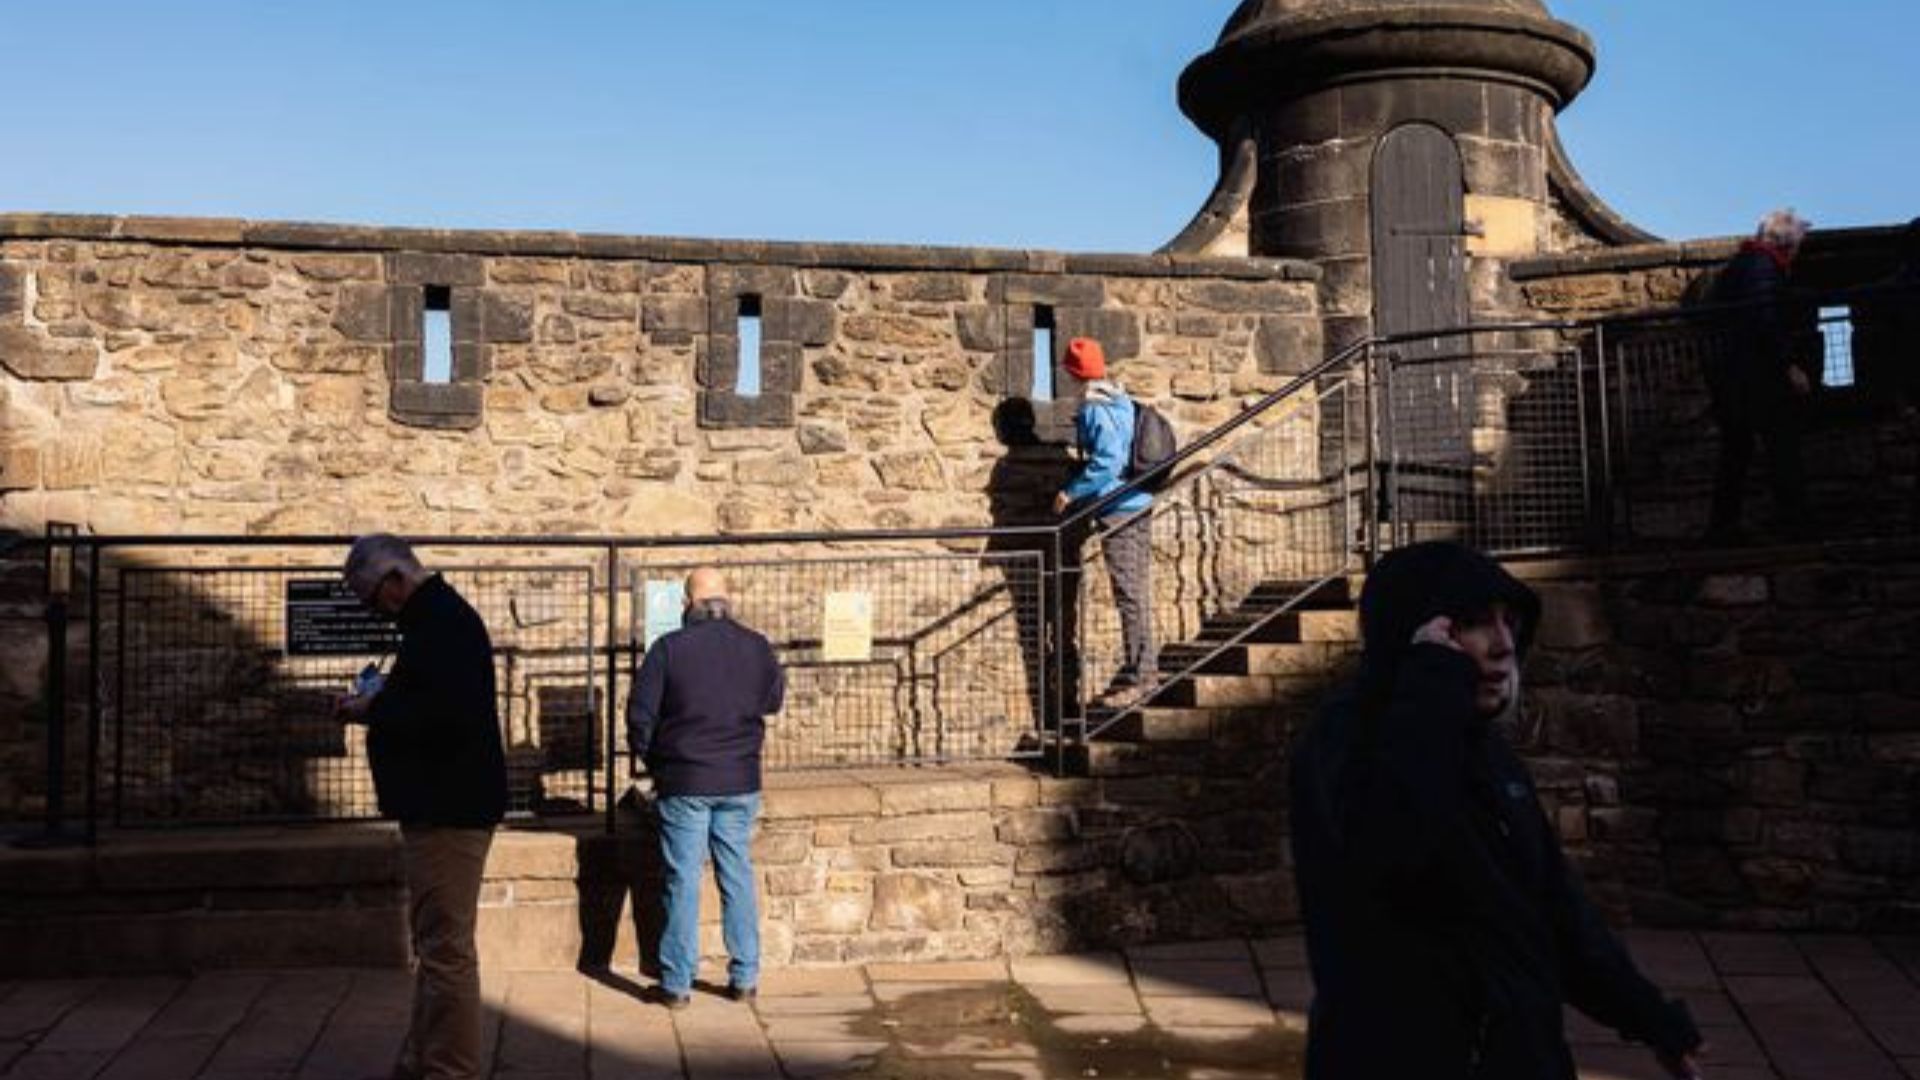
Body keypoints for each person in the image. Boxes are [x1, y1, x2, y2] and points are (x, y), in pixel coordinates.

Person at [1289, 541, 1704, 1080]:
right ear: (1418, 635)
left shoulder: (1480, 747)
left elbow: (1553, 908)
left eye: (1509, 622)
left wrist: (1650, 1018)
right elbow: (1391, 848)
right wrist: (1432, 686)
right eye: (1474, 623)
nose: (1503, 645)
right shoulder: (1344, 738)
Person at [335, 534, 506, 1080]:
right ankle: (420, 1060)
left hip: (448, 807)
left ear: (394, 579)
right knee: (435, 946)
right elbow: (432, 703)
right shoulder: (435, 621)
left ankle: (451, 1069)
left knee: (447, 951)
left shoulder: (442, 625)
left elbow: (441, 717)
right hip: (442, 804)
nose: (373, 610)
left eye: (371, 597)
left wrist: (371, 710)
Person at [626, 567, 784, 1009]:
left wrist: (657, 764)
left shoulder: (669, 649)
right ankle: (745, 977)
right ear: (726, 599)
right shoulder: (756, 647)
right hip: (739, 778)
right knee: (737, 874)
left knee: (683, 879)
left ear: (687, 603)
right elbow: (772, 700)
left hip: (686, 780)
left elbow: (640, 716)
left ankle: (677, 984)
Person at [1052, 336, 1157, 707]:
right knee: (1136, 591)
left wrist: (1071, 491)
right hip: (1139, 500)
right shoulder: (1120, 398)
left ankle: (1143, 677)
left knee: (1129, 592)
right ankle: (1140, 668)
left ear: (1073, 372)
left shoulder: (1096, 407)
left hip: (1118, 508)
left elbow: (1108, 461)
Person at [1705, 208, 1818, 542]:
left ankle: (1723, 528)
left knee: (1736, 451)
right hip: (1756, 376)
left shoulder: (1745, 264)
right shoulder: (1763, 268)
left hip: (1733, 374)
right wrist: (1789, 365)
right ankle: (1793, 522)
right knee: (1781, 445)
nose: (1799, 252)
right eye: (1798, 245)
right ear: (1787, 244)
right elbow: (1764, 315)